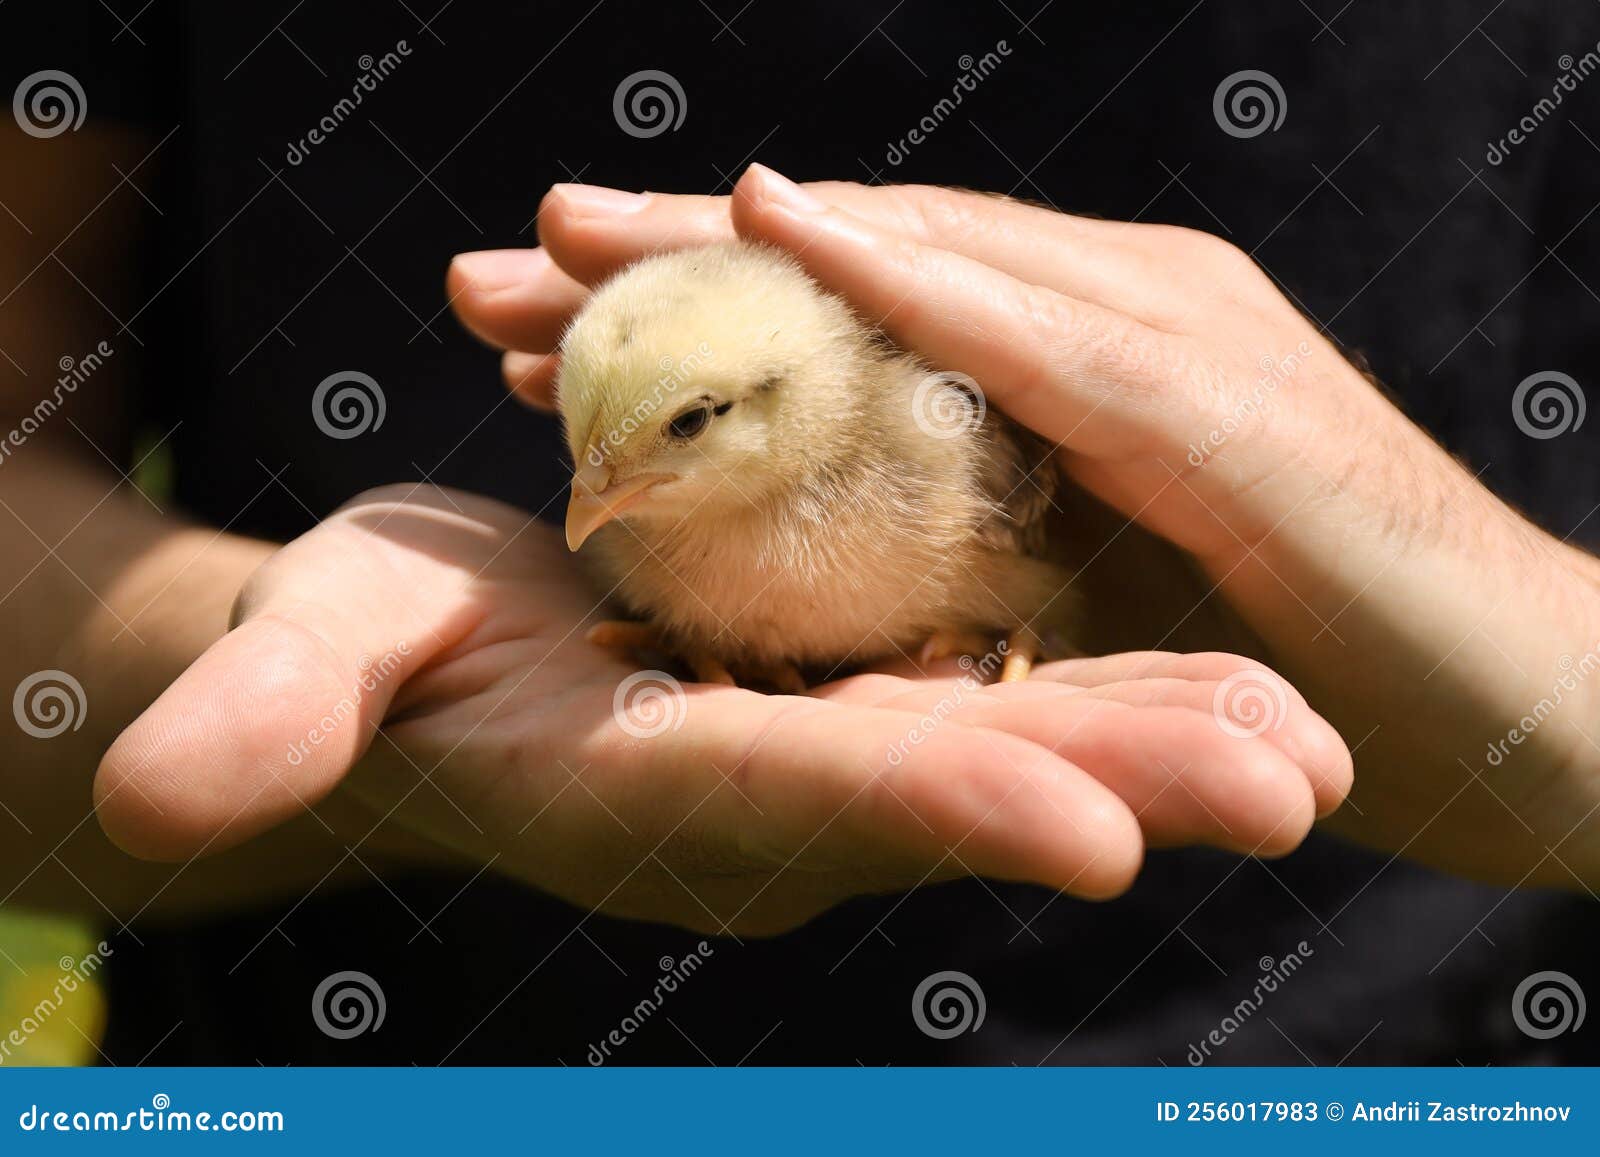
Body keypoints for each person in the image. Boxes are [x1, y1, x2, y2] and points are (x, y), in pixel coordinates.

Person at [1, 1, 1594, 1064]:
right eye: (586, 463)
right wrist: (358, 729)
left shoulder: (921, 434)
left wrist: (1540, 689)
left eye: (667, 442)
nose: (593, 506)